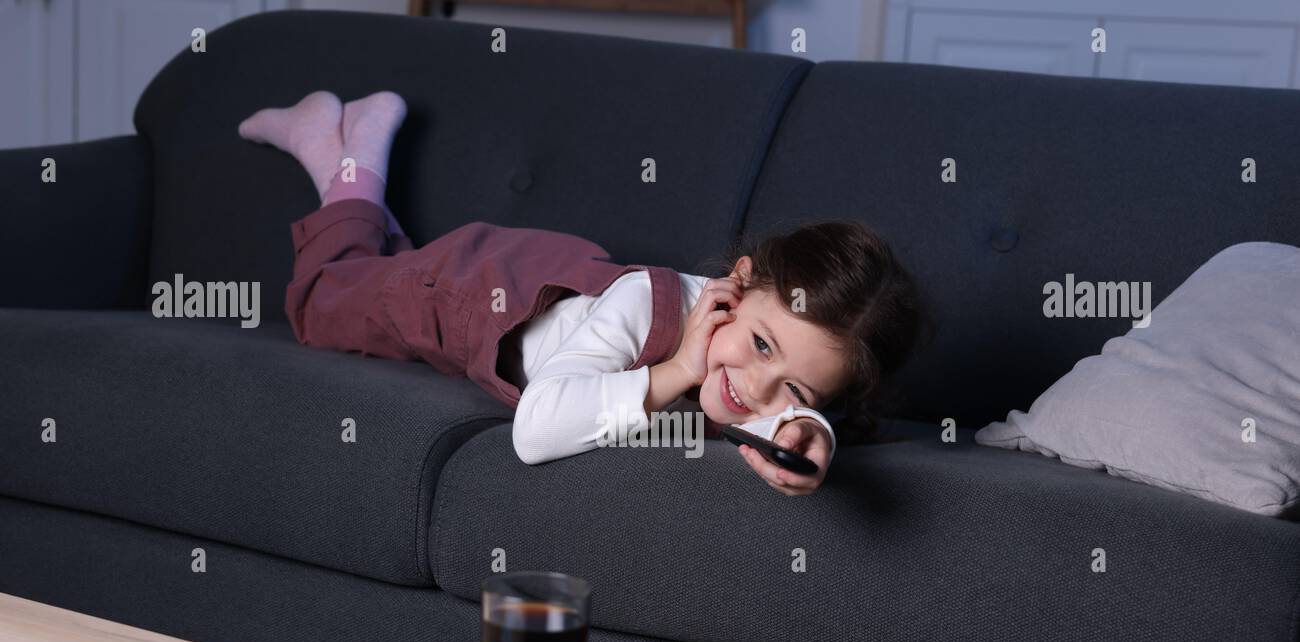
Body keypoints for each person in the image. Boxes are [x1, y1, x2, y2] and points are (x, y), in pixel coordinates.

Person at [238, 92, 923, 494]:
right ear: (736, 286)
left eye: (797, 393)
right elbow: (536, 432)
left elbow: (797, 416)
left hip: (543, 275)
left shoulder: (771, 381)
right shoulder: (650, 313)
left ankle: (352, 152)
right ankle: (343, 154)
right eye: (760, 344)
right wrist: (680, 368)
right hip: (471, 295)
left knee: (372, 277)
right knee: (323, 302)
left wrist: (810, 435)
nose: (755, 387)